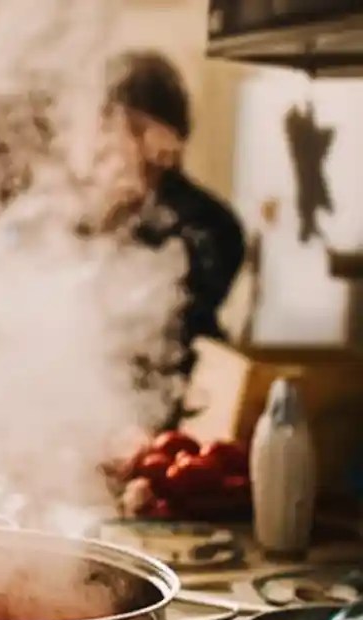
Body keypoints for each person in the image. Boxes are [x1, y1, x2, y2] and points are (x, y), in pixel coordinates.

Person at [104, 50, 247, 429]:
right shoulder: (99, 214)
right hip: (105, 403)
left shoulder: (208, 221)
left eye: (131, 126)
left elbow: (186, 308)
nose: (112, 141)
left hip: (180, 408)